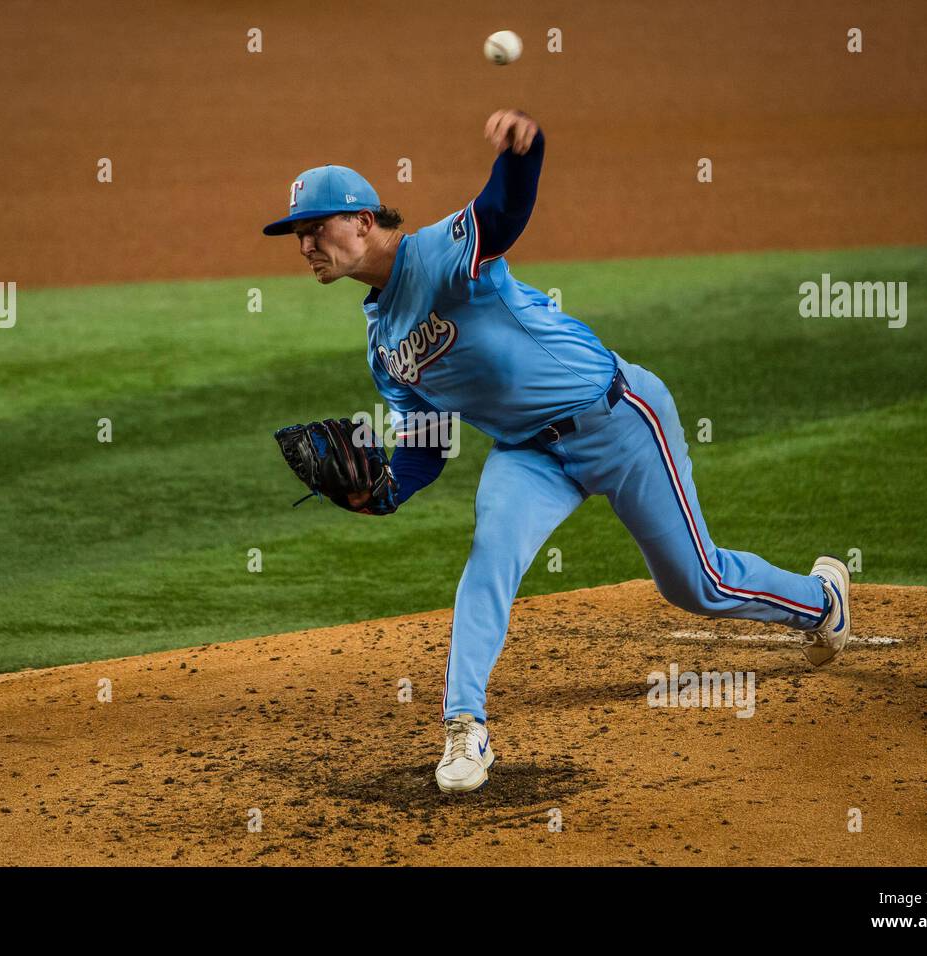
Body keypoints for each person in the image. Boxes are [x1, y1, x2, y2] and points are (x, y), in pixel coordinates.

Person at [262, 108, 851, 794]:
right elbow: (426, 446)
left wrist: (523, 153)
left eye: (317, 227)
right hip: (526, 456)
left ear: (363, 220)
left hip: (619, 420)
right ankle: (464, 728)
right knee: (489, 561)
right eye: (298, 235)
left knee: (696, 586)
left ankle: (820, 602)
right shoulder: (382, 349)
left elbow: (503, 212)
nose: (306, 245)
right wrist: (385, 491)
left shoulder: (437, 254)